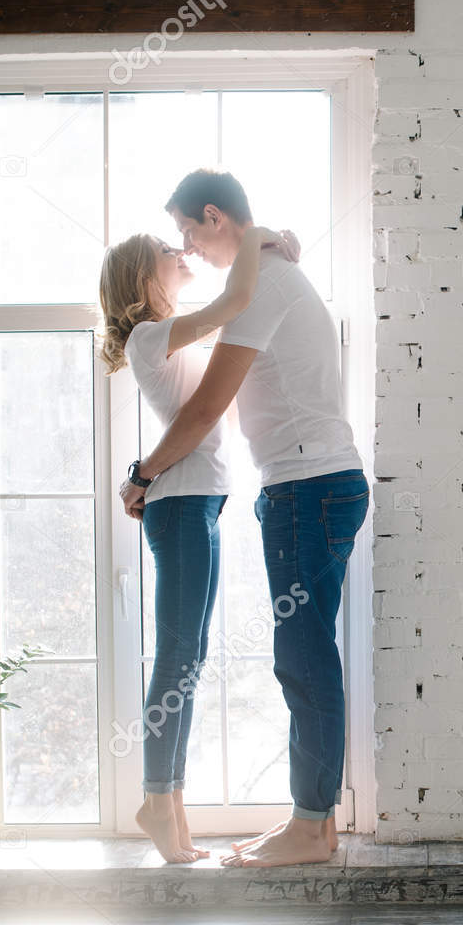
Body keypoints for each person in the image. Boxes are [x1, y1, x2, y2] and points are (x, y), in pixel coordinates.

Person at [120, 168, 369, 868]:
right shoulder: (265, 282)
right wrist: (263, 241)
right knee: (300, 652)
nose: (186, 250)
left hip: (305, 486)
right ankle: (310, 825)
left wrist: (139, 475)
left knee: (303, 656)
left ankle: (310, 826)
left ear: (212, 219)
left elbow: (204, 411)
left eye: (187, 234)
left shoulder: (260, 286)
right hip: (311, 482)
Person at [98, 222, 298, 862]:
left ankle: (169, 807)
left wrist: (272, 258)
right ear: (142, 277)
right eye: (167, 250)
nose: (181, 252)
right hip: (182, 506)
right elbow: (234, 303)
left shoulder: (172, 339)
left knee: (187, 658)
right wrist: (259, 241)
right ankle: (158, 802)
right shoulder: (151, 336)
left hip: (197, 502)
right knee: (179, 659)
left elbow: (240, 326)